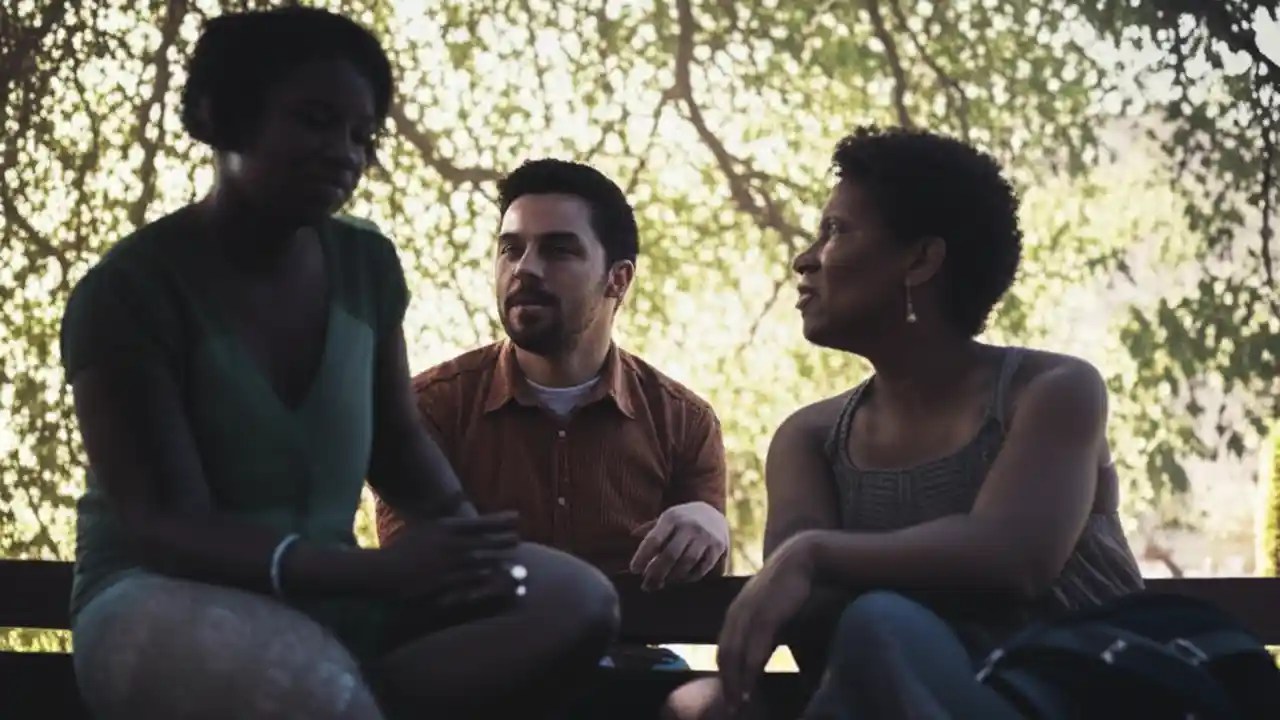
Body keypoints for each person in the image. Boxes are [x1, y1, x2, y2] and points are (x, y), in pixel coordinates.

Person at [61, 8, 617, 720]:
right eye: (316, 121)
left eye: (362, 135)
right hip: (157, 598)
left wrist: (465, 547)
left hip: (334, 589)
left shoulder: (365, 265)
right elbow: (169, 525)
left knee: (575, 601)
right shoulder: (128, 291)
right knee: (314, 693)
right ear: (222, 116)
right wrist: (374, 574)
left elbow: (396, 441)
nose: (345, 153)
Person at [664, 127, 1144, 720]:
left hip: (1079, 695)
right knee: (701, 705)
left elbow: (1015, 558)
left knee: (878, 619)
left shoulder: (1052, 392)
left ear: (920, 259)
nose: (804, 258)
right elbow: (806, 612)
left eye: (836, 231)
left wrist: (815, 554)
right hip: (888, 694)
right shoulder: (809, 439)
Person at [374, 159, 730, 596]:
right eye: (511, 248)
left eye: (558, 250)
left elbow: (701, 592)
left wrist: (711, 529)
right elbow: (413, 576)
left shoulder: (684, 422)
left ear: (618, 279)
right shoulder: (429, 408)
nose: (524, 268)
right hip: (476, 654)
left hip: (634, 659)